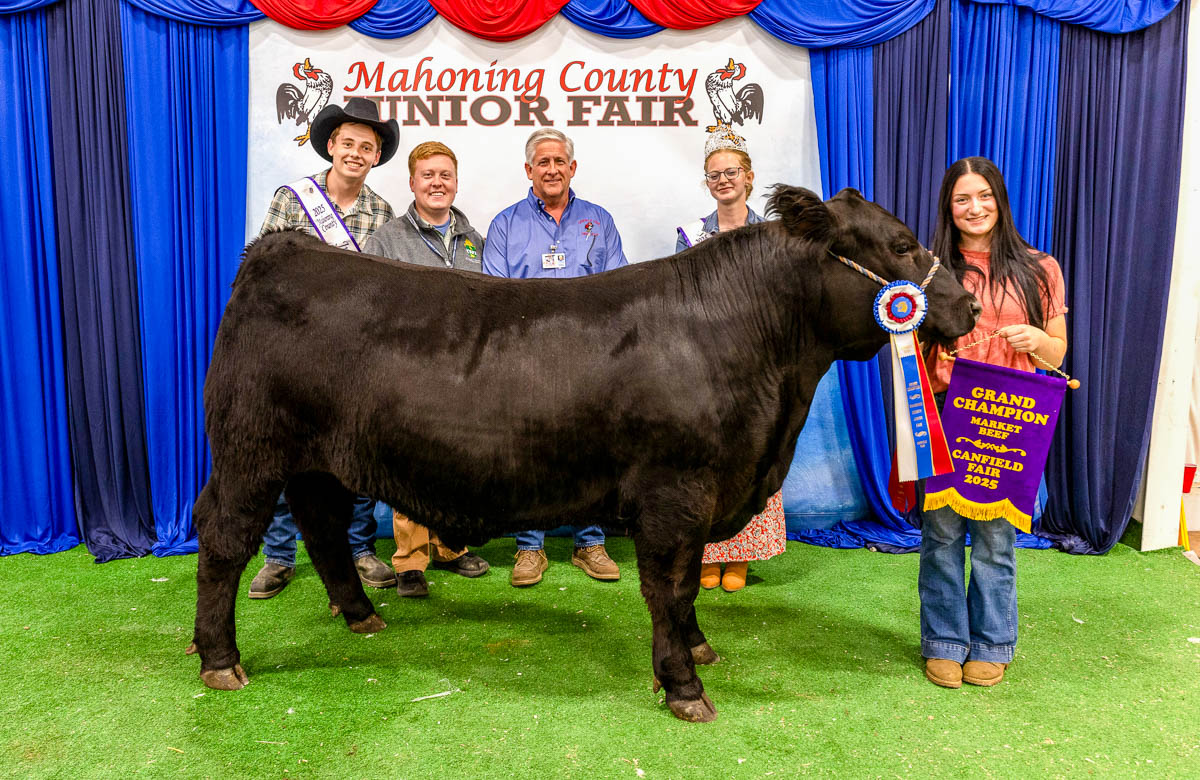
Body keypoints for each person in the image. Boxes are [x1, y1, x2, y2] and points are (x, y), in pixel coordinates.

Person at [920, 156, 1068, 688]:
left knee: (995, 539)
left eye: (984, 196)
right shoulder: (930, 270)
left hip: (1008, 424)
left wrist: (1038, 341)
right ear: (949, 207)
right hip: (944, 417)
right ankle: (943, 642)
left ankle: (991, 642)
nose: (974, 207)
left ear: (1000, 201)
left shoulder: (1040, 268)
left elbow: (1058, 351)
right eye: (963, 199)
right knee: (939, 535)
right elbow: (906, 349)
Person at [247, 97, 400, 599]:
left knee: (353, 455)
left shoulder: (383, 213)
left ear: (376, 157)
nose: (356, 153)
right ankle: (278, 556)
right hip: (294, 350)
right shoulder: (292, 199)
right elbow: (262, 272)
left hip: (355, 356)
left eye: (368, 147)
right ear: (332, 145)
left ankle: (359, 549)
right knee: (284, 453)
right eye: (348, 143)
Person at [482, 128, 628, 587]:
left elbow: (619, 291)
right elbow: (492, 296)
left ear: (572, 167)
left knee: (591, 449)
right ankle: (530, 548)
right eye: (542, 162)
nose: (551, 169)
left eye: (559, 161)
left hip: (589, 361)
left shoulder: (599, 221)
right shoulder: (505, 225)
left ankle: (590, 542)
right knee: (529, 450)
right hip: (526, 360)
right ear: (529, 170)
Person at [361, 141, 491, 597]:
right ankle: (409, 561)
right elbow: (370, 309)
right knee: (410, 467)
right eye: (428, 175)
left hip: (463, 373)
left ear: (455, 182)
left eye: (445, 175)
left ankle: (451, 547)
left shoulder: (474, 239)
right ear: (412, 182)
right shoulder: (386, 240)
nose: (438, 183)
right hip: (408, 371)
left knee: (456, 463)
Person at [675, 131, 786, 591]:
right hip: (707, 365)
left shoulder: (775, 236)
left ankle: (744, 550)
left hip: (760, 366)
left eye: (731, 173)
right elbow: (679, 299)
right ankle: (708, 550)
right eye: (714, 175)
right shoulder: (691, 236)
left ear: (749, 177)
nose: (723, 180)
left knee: (756, 452)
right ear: (707, 183)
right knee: (707, 458)